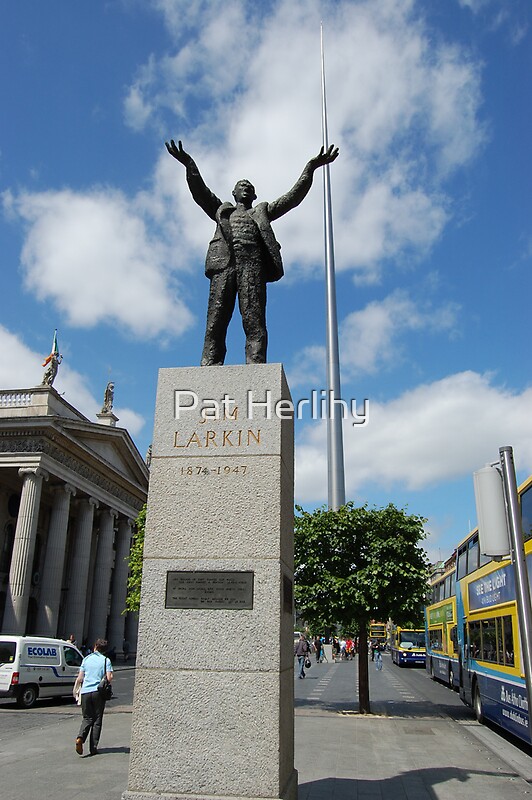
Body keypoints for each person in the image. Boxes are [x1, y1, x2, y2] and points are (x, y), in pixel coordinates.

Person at [165, 139, 339, 366]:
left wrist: (310, 167)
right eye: (242, 185)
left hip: (252, 267)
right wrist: (189, 164)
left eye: (250, 186)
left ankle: (256, 365)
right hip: (224, 266)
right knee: (216, 320)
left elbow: (293, 198)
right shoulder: (222, 210)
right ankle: (210, 363)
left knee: (254, 321)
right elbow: (200, 192)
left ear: (254, 196)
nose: (246, 187)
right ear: (234, 192)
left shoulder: (262, 211)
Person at [73, 638, 113, 757]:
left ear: (95, 646)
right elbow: (109, 677)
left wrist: (76, 690)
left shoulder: (86, 659)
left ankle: (80, 737)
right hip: (98, 693)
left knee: (87, 718)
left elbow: (80, 678)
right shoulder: (106, 660)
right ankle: (93, 748)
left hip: (85, 691)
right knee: (97, 720)